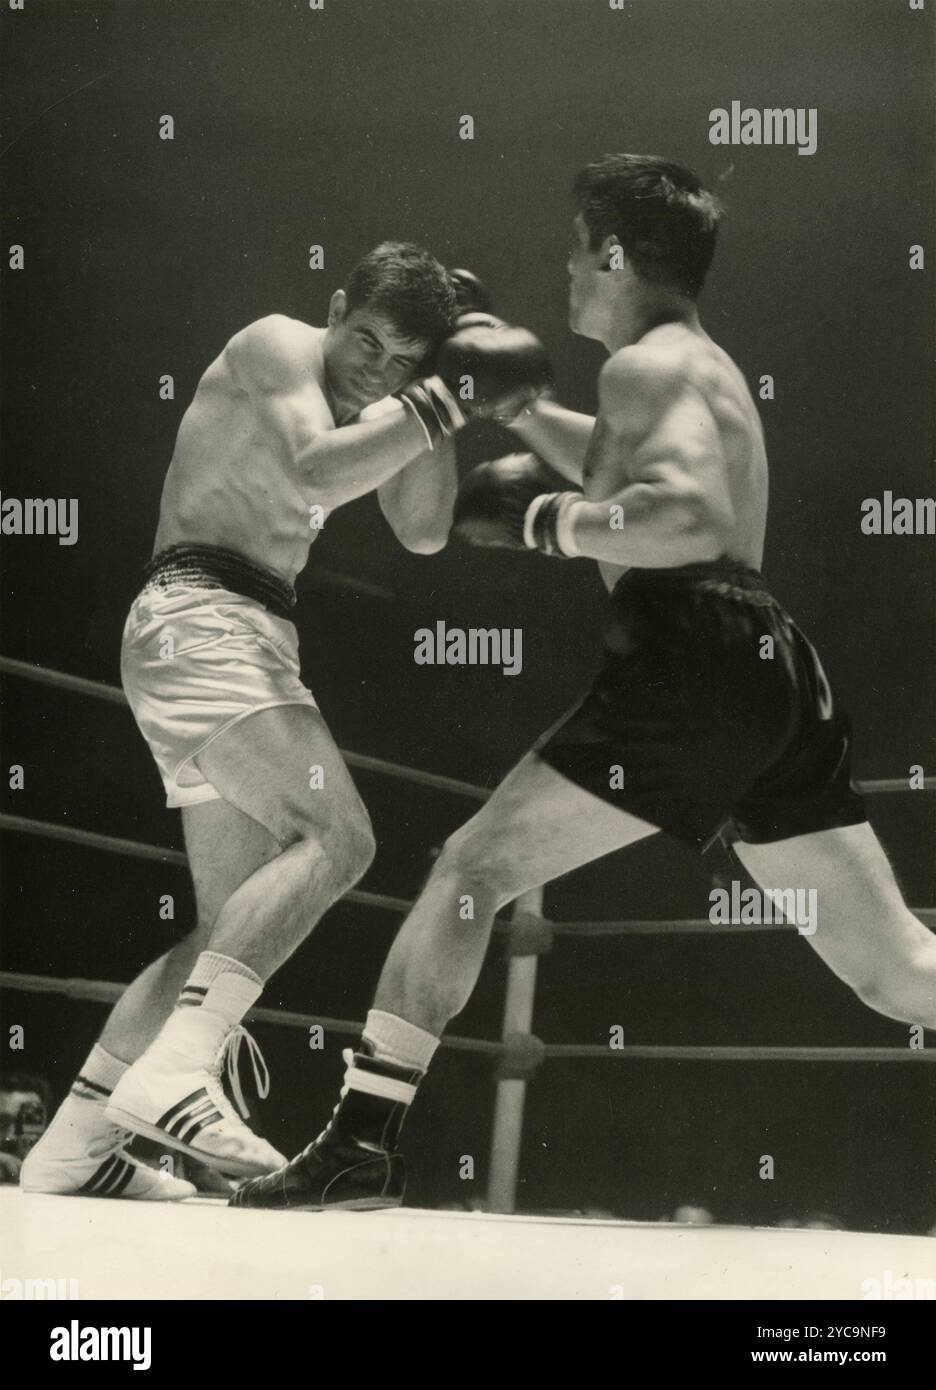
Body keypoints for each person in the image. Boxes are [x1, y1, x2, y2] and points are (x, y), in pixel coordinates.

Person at [230, 155, 936, 1212]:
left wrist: (541, 525)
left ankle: (360, 1141)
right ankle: (362, 1145)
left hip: (692, 653)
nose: (565, 268)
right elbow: (627, 463)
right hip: (769, 666)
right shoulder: (696, 365)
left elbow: (685, 514)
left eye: (574, 246)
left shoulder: (645, 369)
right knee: (899, 972)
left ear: (613, 254)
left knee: (470, 868)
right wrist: (515, 410)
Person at [21, 243, 551, 1200]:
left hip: (246, 633)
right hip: (200, 617)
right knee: (338, 837)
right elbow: (313, 472)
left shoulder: (387, 399)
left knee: (220, 930)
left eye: (403, 361)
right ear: (336, 306)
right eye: (368, 342)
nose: (376, 371)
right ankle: (177, 1074)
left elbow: (423, 529)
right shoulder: (274, 346)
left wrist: (446, 397)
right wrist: (434, 396)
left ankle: (78, 1149)